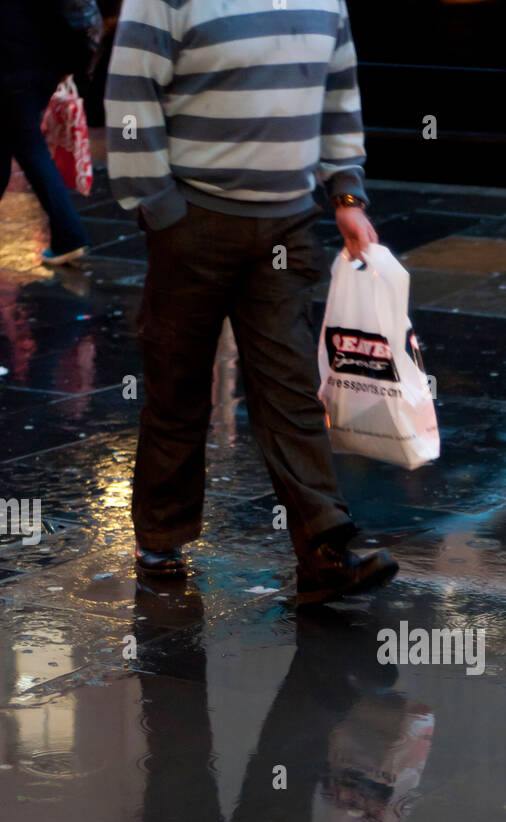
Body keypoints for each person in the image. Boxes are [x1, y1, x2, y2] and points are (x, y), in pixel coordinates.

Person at [105, 0, 398, 601]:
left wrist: (347, 192)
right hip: (193, 217)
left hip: (288, 224)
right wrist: (158, 207)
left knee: (290, 387)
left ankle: (324, 545)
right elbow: (130, 91)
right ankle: (160, 536)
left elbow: (339, 89)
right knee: (176, 384)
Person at [0, 0, 102, 266]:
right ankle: (70, 236)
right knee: (15, 140)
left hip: (13, 65)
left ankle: (71, 236)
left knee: (29, 147)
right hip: (40, 64)